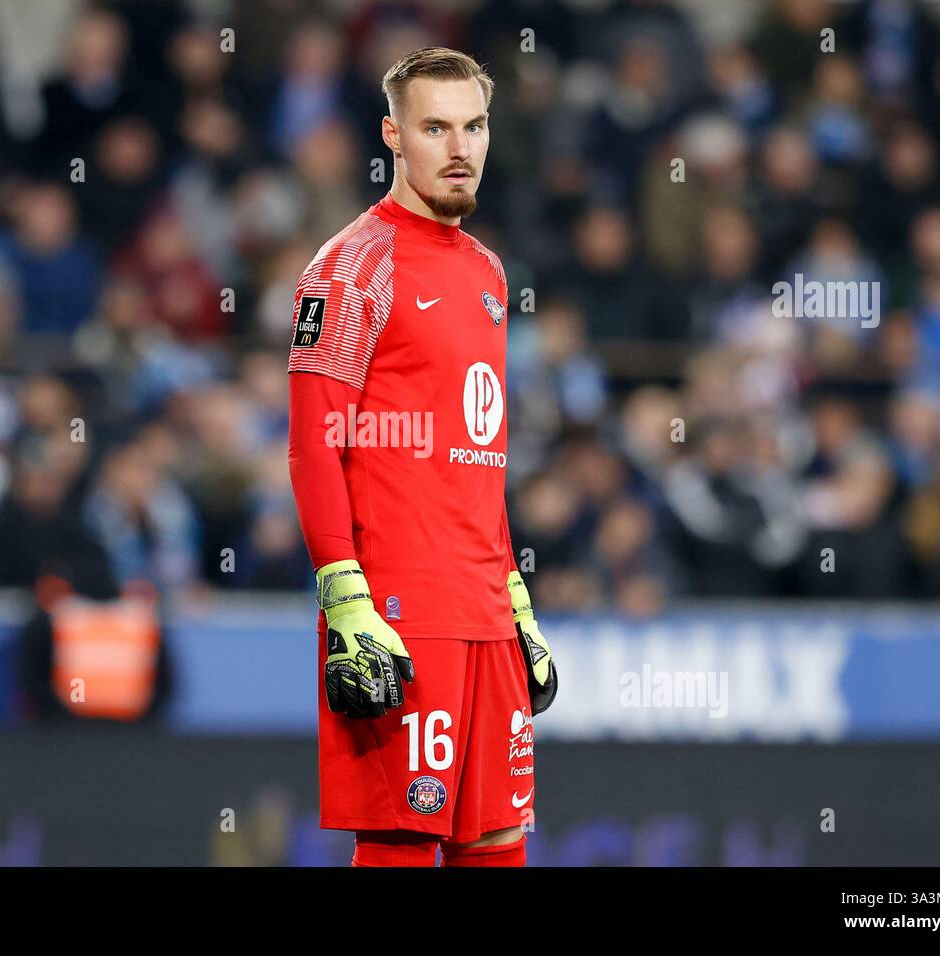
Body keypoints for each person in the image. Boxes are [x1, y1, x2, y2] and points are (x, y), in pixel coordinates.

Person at [285, 47, 557, 868]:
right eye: (434, 127)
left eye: (473, 125)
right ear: (393, 137)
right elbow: (310, 446)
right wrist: (346, 602)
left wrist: (515, 595)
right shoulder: (350, 267)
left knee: (497, 842)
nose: (459, 146)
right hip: (400, 616)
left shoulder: (487, 271)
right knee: (405, 840)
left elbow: (479, 453)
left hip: (484, 613)